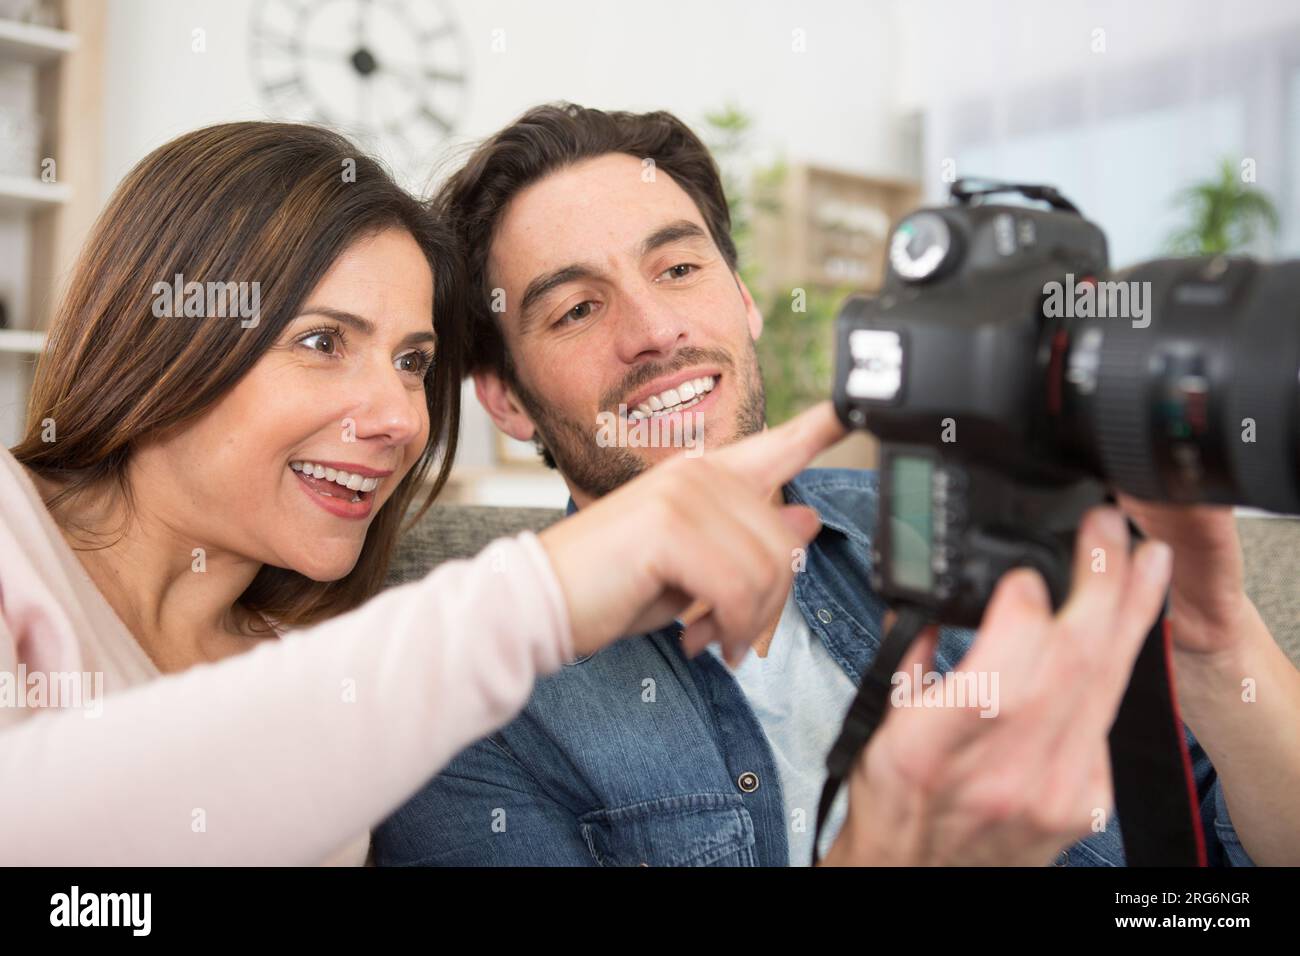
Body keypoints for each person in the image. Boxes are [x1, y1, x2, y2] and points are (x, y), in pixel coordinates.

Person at [376, 103, 1300, 866]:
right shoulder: (465, 696)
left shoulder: (991, 524)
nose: (654, 328)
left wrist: (1220, 660)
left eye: (681, 267)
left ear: (740, 302)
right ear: (506, 399)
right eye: (577, 308)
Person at [0, 121, 844, 865]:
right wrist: (539, 595)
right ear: (162, 339)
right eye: (323, 341)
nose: (399, 419)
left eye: (412, 363)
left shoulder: (322, 641)